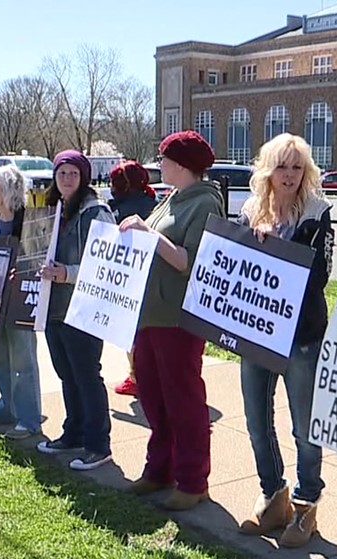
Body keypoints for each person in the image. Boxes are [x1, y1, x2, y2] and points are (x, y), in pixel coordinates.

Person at [236, 133, 334, 547]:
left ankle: (306, 505)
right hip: (256, 332)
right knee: (257, 421)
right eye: (282, 166)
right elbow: (234, 266)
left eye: (297, 167)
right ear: (267, 170)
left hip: (302, 335)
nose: (290, 175)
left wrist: (278, 247)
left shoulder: (318, 212)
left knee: (303, 426)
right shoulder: (249, 209)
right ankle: (273, 495)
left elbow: (320, 275)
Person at [119, 131, 223, 511]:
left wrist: (148, 234)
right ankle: (159, 468)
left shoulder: (205, 205)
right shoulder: (171, 200)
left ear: (181, 165)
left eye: (163, 158)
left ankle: (193, 480)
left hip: (178, 317)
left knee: (183, 399)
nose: (159, 165)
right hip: (150, 314)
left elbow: (189, 262)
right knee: (152, 394)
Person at [35, 150, 115, 472]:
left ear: (84, 178)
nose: (67, 179)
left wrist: (66, 272)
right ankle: (74, 433)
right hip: (54, 308)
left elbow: (107, 263)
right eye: (62, 173)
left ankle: (98, 445)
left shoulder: (96, 212)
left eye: (74, 173)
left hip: (84, 309)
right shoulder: (52, 211)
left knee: (87, 375)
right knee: (67, 374)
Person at [0, 165, 43, 440]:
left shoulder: (28, 224)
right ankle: (7, 408)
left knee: (23, 360)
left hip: (20, 303)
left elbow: (38, 261)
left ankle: (29, 420)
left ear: (10, 189)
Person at [106, 160, 158, 398]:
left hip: (129, 278)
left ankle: (137, 377)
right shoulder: (155, 204)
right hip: (155, 279)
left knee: (132, 333)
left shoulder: (120, 210)